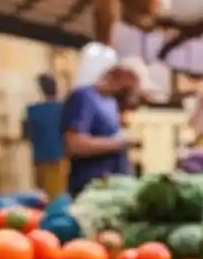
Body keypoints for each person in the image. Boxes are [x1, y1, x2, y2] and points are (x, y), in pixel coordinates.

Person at [61, 43, 143, 196]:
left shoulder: (109, 102)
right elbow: (74, 144)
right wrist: (120, 144)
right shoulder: (83, 97)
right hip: (92, 190)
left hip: (116, 189)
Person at [24, 73, 67, 197]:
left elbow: (27, 134)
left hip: (40, 157)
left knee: (45, 194)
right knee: (60, 193)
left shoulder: (33, 110)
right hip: (61, 157)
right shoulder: (65, 108)